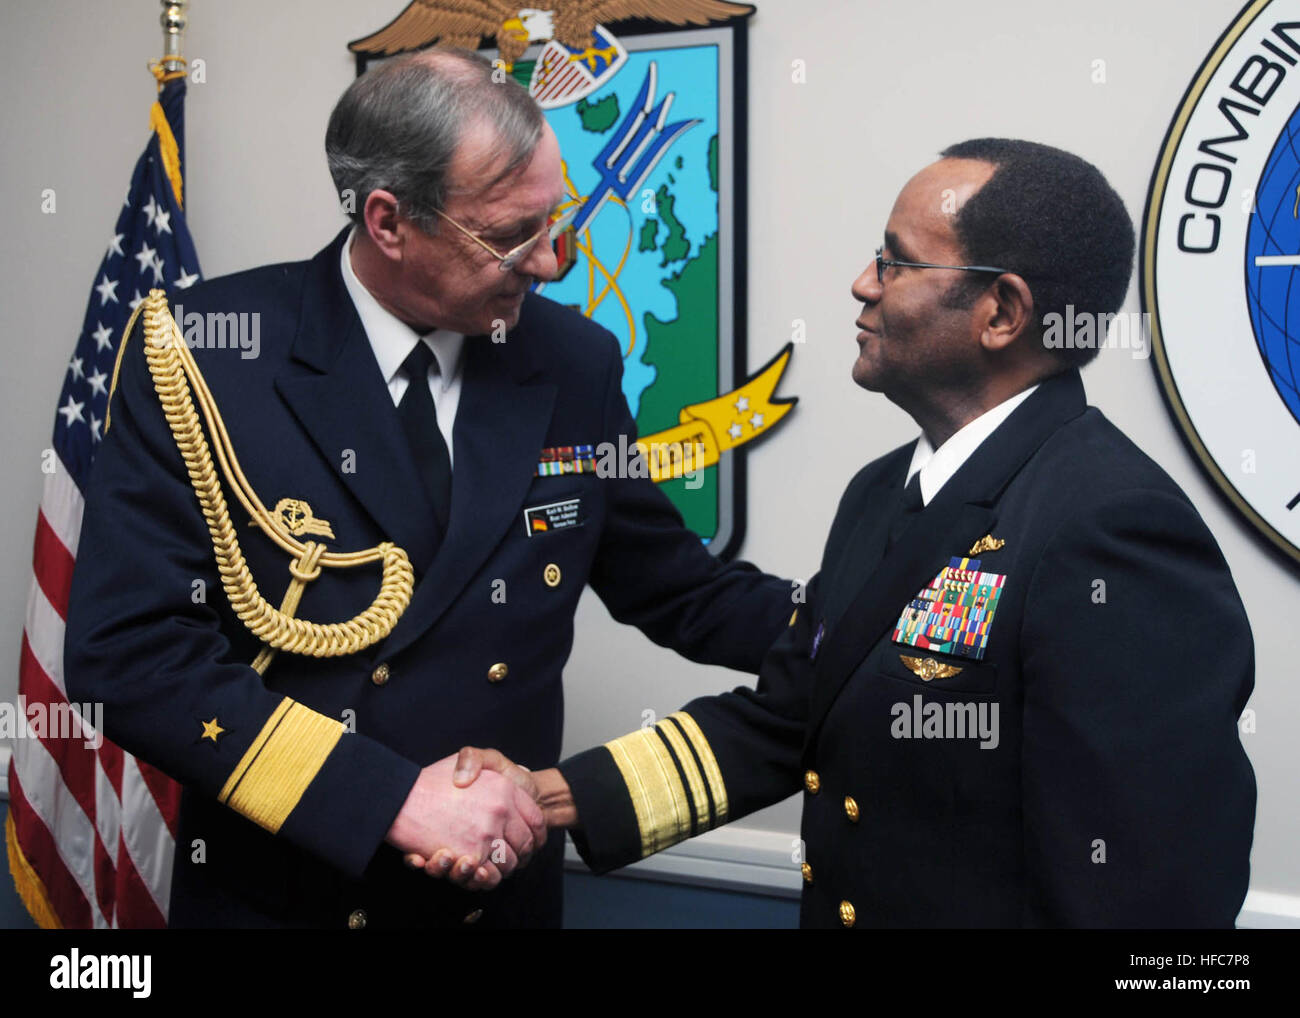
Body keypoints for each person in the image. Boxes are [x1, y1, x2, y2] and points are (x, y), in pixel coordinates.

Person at [64, 47, 792, 929]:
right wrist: (388, 800)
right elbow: (131, 654)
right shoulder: (206, 354)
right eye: (512, 236)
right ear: (388, 221)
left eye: (551, 221)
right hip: (291, 898)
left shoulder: (574, 361)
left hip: (496, 906)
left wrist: (856, 623)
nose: (551, 263)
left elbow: (679, 585)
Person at [452, 139, 1258, 927]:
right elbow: (791, 716)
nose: (861, 284)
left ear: (1002, 312)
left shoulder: (1111, 528)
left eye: (896, 262)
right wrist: (543, 795)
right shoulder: (882, 493)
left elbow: (1149, 900)